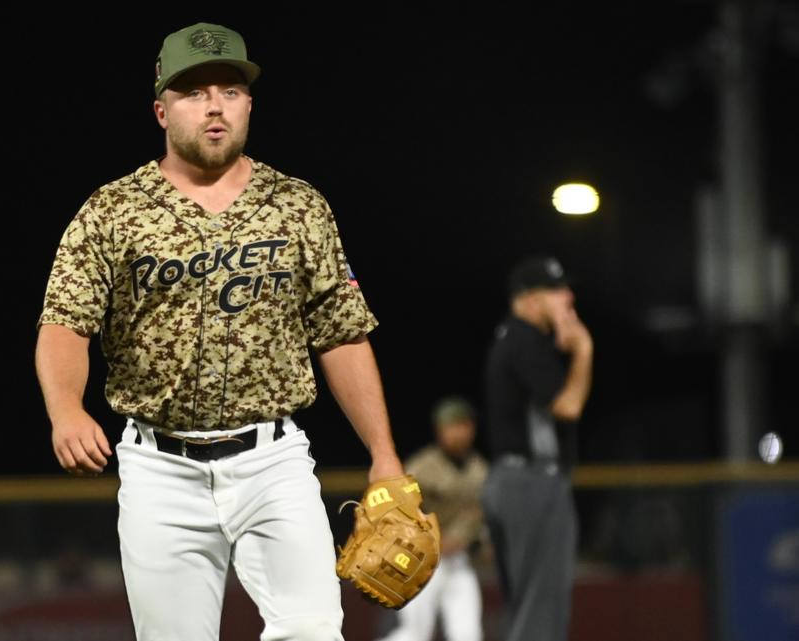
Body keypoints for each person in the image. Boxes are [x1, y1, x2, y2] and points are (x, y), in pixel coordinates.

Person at [34, 22, 406, 641]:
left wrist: (385, 455)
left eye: (230, 91)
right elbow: (64, 323)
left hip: (274, 461)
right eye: (193, 92)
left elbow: (341, 332)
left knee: (313, 631)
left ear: (249, 104)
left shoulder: (297, 205)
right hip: (160, 466)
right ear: (161, 110)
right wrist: (65, 410)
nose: (214, 105)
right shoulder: (112, 210)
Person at [480, 256, 593, 641]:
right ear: (529, 299)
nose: (568, 297)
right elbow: (568, 406)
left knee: (526, 610)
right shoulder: (525, 339)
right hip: (532, 482)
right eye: (556, 291)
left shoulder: (511, 338)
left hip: (511, 481)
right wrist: (583, 348)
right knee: (541, 615)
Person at [375, 397, 487, 641]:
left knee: (468, 633)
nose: (458, 433)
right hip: (420, 560)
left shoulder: (480, 469)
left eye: (464, 425)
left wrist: (471, 541)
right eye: (452, 426)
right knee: (413, 633)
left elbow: (478, 518)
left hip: (458, 562)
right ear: (439, 430)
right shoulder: (422, 467)